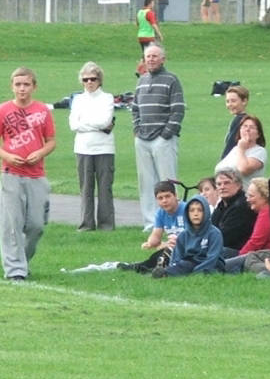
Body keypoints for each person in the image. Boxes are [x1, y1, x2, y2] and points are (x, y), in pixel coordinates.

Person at [0, 67, 56, 281]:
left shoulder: (42, 110)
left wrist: (40, 152)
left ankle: (22, 261)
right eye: (18, 84)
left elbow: (52, 141)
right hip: (11, 172)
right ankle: (15, 271)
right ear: (12, 86)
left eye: (26, 84)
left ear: (34, 86)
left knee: (36, 225)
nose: (22, 88)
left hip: (36, 173)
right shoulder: (3, 110)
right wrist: (6, 156)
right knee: (12, 224)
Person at [131, 44, 184, 230]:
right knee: (146, 182)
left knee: (168, 180)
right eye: (148, 56)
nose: (151, 59)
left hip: (163, 139)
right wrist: (137, 130)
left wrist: (166, 133)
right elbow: (135, 108)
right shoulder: (142, 81)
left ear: (163, 59)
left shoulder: (171, 80)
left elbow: (177, 110)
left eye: (155, 56)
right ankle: (151, 222)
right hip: (143, 138)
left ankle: (174, 221)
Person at [69, 61, 116, 231]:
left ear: (99, 80)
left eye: (93, 79)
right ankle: (86, 224)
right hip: (83, 148)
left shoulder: (107, 98)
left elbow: (105, 121)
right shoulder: (78, 99)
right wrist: (95, 125)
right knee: (85, 188)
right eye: (85, 79)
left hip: (104, 148)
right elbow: (74, 125)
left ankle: (106, 224)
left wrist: (86, 123)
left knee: (104, 188)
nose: (89, 82)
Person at [119, 180, 187, 274]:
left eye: (167, 196)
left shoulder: (186, 209)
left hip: (187, 247)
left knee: (162, 253)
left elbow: (190, 236)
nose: (164, 201)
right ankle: (145, 268)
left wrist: (165, 245)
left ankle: (140, 267)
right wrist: (150, 243)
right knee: (162, 253)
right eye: (160, 198)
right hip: (173, 246)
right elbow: (155, 236)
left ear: (175, 196)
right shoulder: (160, 213)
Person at [220, 177, 270, 274]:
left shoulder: (266, 212)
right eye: (247, 195)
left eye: (251, 196)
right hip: (262, 253)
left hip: (268, 255)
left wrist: (239, 257)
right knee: (222, 251)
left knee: (220, 266)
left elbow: (256, 241)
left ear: (264, 196)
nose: (247, 199)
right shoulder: (267, 211)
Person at [153, 195, 222, 278]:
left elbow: (213, 258)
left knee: (211, 268)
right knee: (183, 265)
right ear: (187, 213)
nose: (195, 214)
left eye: (200, 210)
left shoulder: (214, 233)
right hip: (189, 263)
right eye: (192, 211)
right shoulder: (183, 235)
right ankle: (165, 273)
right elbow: (177, 257)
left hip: (210, 264)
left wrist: (197, 271)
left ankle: (166, 273)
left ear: (206, 212)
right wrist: (175, 266)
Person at [215, 114, 266, 189]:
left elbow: (243, 169)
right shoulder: (235, 149)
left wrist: (241, 149)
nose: (247, 129)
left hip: (244, 196)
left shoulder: (259, 151)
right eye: (245, 126)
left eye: (251, 127)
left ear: (258, 134)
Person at [210, 169, 254, 251]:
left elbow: (225, 238)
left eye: (227, 183)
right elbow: (210, 228)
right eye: (219, 184)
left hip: (237, 252)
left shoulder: (242, 205)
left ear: (238, 185)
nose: (222, 187)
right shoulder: (222, 205)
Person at [219, 85, 249, 159]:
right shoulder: (246, 119)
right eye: (227, 101)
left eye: (233, 101)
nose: (230, 104)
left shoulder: (239, 120)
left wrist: (222, 161)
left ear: (244, 101)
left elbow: (231, 144)